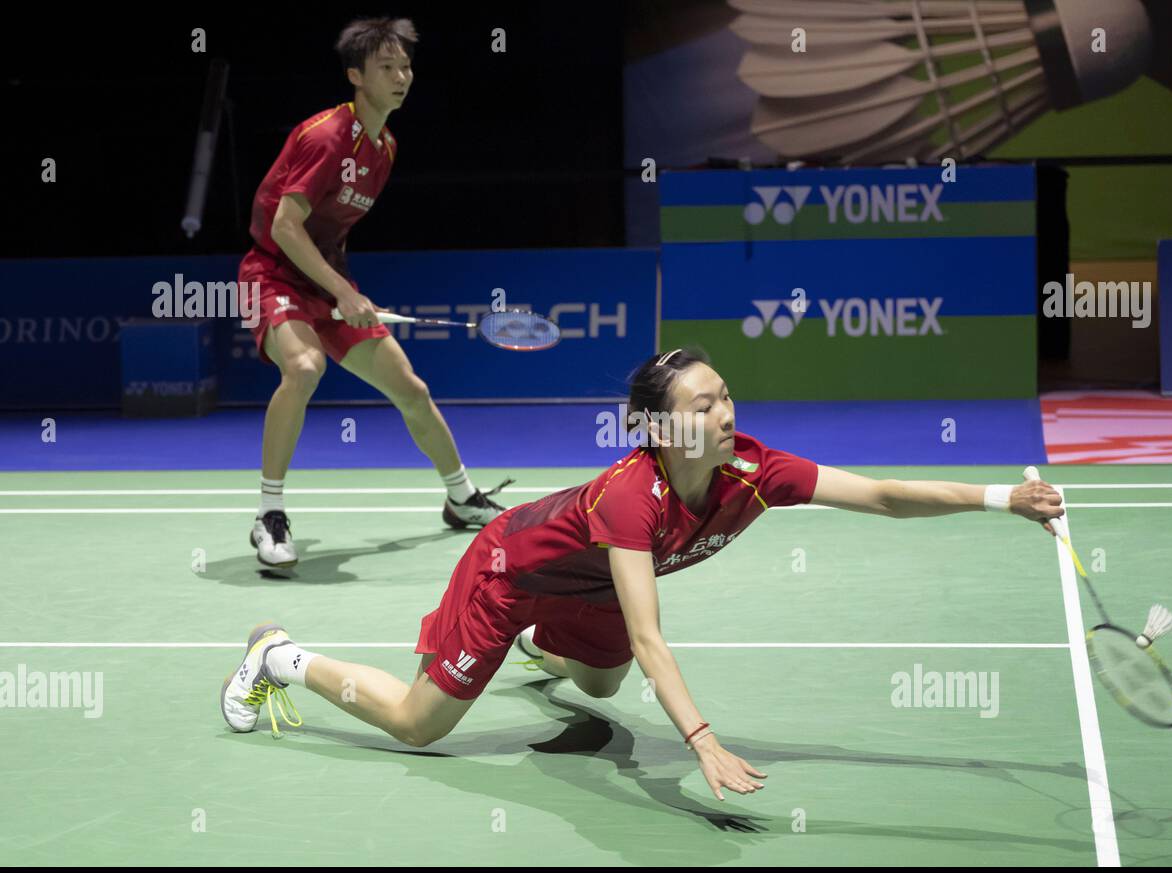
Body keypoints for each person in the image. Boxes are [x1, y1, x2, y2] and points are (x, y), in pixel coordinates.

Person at [221, 348, 1066, 800]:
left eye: (726, 395)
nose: (726, 413)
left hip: (582, 593)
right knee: (420, 724)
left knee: (598, 687)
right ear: (661, 428)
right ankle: (278, 655)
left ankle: (544, 656)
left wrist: (1003, 497)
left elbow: (880, 494)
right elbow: (653, 636)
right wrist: (701, 739)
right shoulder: (633, 500)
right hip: (510, 573)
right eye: (704, 406)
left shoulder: (751, 471)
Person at [237, 16, 509, 569]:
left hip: (325, 281)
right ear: (356, 75)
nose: (402, 76)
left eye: (406, 65)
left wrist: (339, 291)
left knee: (410, 387)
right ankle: (269, 516)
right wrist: (341, 289)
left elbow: (331, 231)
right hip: (268, 273)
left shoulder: (384, 147)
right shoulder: (326, 136)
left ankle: (460, 498)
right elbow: (286, 227)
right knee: (306, 367)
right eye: (387, 67)